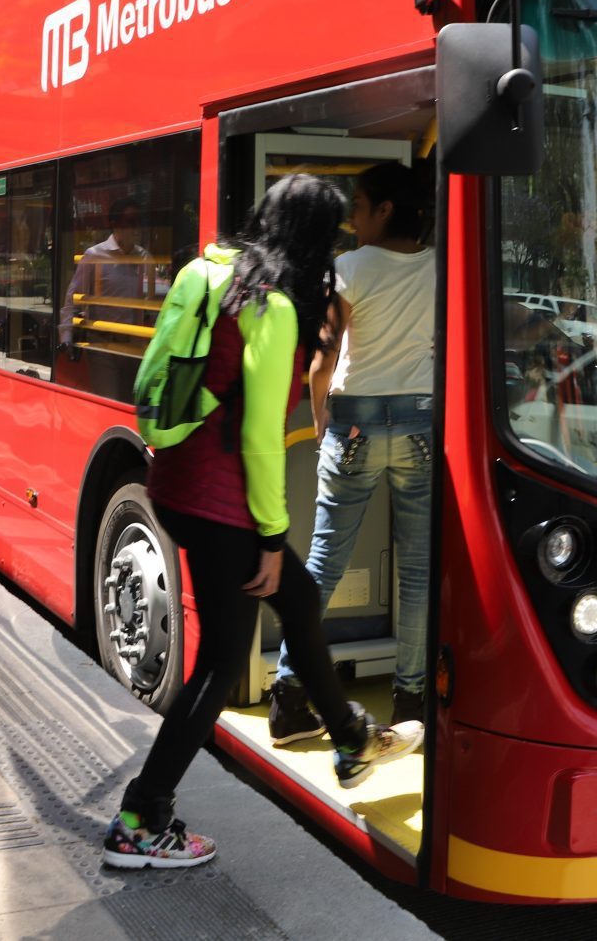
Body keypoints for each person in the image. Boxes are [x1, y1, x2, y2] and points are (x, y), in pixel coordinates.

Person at [103, 174, 421, 871]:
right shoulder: (273, 307)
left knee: (300, 599)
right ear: (311, 238)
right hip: (224, 500)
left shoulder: (210, 268)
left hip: (177, 481)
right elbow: (260, 438)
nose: (337, 246)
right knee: (219, 662)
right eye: (331, 234)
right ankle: (141, 816)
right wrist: (272, 536)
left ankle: (348, 736)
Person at [270, 162, 435, 740]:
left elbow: (322, 360)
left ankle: (289, 697)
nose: (352, 218)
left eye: (359, 205)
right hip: (421, 423)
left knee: (323, 563)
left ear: (386, 209)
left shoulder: (348, 269)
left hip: (356, 424)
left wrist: (322, 426)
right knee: (418, 572)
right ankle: (411, 704)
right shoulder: (443, 267)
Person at [59, 198, 149, 351]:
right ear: (115, 224)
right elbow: (72, 299)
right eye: (130, 221)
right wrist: (66, 338)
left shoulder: (144, 257)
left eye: (138, 222)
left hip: (136, 346)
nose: (136, 228)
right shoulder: (95, 255)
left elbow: (151, 300)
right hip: (102, 345)